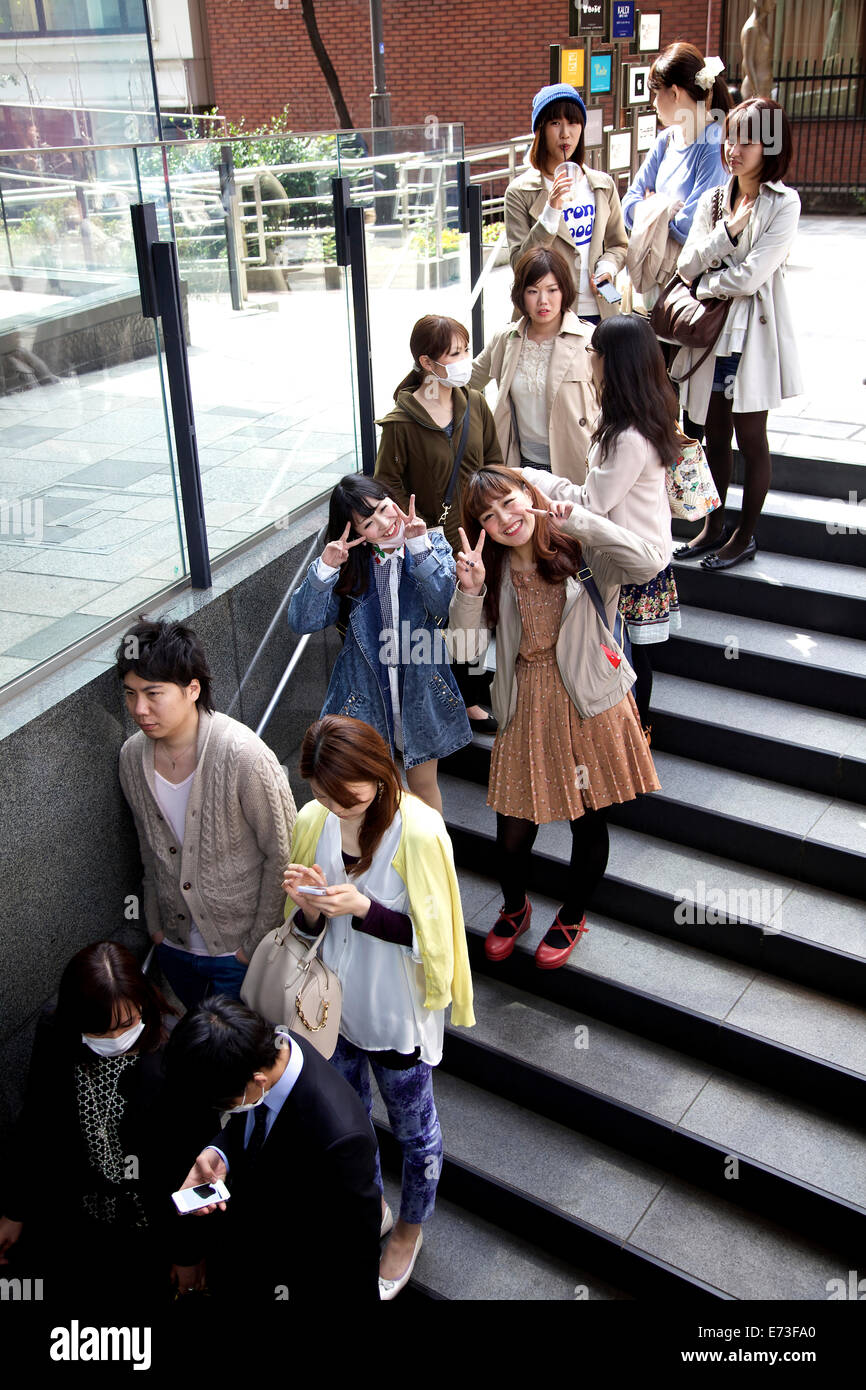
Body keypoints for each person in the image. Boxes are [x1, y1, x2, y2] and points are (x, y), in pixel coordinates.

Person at [283, 714, 474, 1299]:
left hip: (394, 1015)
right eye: (322, 793)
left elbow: (436, 938)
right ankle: (372, 1206)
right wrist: (311, 906)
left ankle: (410, 1227)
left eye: (348, 795)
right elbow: (299, 930)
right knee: (350, 1122)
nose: (336, 806)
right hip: (330, 1012)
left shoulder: (418, 831)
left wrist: (363, 909)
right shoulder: (312, 820)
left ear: (380, 775)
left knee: (416, 1133)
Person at [448, 466, 664, 970]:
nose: (505, 519)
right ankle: (515, 907)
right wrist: (469, 592)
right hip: (526, 704)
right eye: (489, 515)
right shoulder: (491, 569)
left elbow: (650, 563)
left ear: (531, 494)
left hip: (590, 702)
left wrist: (584, 521)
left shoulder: (579, 550)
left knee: (588, 822)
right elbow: (464, 652)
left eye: (510, 502)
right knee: (512, 831)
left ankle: (571, 914)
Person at [0, 942, 202, 1301]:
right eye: (98, 1030)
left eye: (125, 1025)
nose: (114, 1040)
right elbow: (37, 1123)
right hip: (80, 1215)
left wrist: (187, 1254)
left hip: (152, 1222)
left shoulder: (174, 1052)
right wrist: (16, 1210)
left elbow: (189, 1161)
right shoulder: (56, 1032)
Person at [117, 618, 297, 1009]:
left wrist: (254, 945)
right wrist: (155, 925)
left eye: (153, 693)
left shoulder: (244, 756)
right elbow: (148, 848)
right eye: (130, 694)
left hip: (239, 955)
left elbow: (283, 854)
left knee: (239, 1060)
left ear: (192, 689)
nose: (139, 708)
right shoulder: (132, 757)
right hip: (175, 949)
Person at [165, 995, 382, 1302]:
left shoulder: (342, 1139)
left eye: (224, 1104)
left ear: (257, 1081)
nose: (229, 1110)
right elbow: (248, 1121)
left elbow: (356, 1251)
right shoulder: (265, 1050)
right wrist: (221, 1152)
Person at [522, 315, 679, 732]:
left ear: (612, 362)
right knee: (630, 655)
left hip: (628, 562)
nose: (589, 358)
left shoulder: (627, 436)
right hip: (643, 552)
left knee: (623, 655)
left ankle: (633, 737)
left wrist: (534, 478)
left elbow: (593, 502)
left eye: (594, 351)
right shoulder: (652, 411)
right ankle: (635, 737)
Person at [670, 98, 802, 570]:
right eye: (730, 137)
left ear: (771, 146)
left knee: (751, 436)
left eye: (747, 139)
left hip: (752, 338)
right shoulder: (714, 200)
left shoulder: (784, 204)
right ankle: (714, 525)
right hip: (714, 337)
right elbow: (684, 263)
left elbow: (749, 278)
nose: (734, 148)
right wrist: (726, 231)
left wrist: (708, 280)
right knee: (712, 432)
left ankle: (745, 534)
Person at [288, 475, 470, 814]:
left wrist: (419, 549)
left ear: (393, 499)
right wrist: (325, 567)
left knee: (423, 787)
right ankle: (388, 862)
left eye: (385, 509)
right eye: (369, 523)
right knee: (383, 793)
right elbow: (302, 620)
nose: (385, 524)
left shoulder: (430, 544)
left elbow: (446, 607)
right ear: (356, 533)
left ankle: (433, 862)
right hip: (365, 694)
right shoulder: (350, 568)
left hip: (420, 690)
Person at [374, 314, 503, 730]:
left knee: (473, 616)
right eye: (455, 354)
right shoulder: (401, 423)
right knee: (434, 624)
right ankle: (437, 702)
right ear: (427, 363)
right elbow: (386, 482)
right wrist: (411, 530)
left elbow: (495, 464)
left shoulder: (476, 404)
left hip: (475, 536)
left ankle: (470, 698)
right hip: (426, 543)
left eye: (466, 350)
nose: (465, 360)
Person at [470, 245, 600, 482]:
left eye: (552, 290)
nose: (543, 301)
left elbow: (614, 401)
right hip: (522, 465)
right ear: (520, 294)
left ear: (564, 291)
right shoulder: (506, 339)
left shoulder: (589, 340)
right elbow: (467, 380)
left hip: (578, 461)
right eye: (533, 291)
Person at [504, 83, 628, 325]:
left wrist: (607, 267)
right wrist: (551, 210)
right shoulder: (520, 192)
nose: (565, 133)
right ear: (540, 129)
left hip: (600, 308)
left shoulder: (602, 185)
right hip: (549, 316)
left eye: (573, 123)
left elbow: (619, 244)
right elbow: (520, 265)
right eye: (555, 123)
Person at [622, 44, 732, 286]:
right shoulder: (666, 140)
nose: (653, 103)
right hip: (656, 277)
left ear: (674, 93)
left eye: (656, 93)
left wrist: (652, 207)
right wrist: (665, 209)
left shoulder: (714, 145)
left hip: (688, 283)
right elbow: (627, 203)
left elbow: (692, 225)